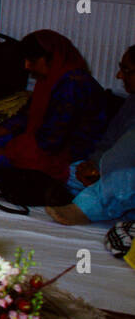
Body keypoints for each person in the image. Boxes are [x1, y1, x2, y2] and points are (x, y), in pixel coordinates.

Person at [0, 31, 109, 202]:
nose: (26, 66)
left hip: (70, 152)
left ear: (52, 57)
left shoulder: (73, 85)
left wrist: (4, 152)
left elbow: (52, 141)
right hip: (43, 140)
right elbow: (25, 117)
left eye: (32, 61)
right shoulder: (51, 77)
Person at [48, 44, 135, 225]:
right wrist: (92, 165)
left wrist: (101, 172)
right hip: (111, 170)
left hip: (125, 176)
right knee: (69, 171)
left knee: (125, 181)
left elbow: (126, 155)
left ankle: (86, 207)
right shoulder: (132, 102)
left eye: (126, 70)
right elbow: (109, 141)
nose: (119, 76)